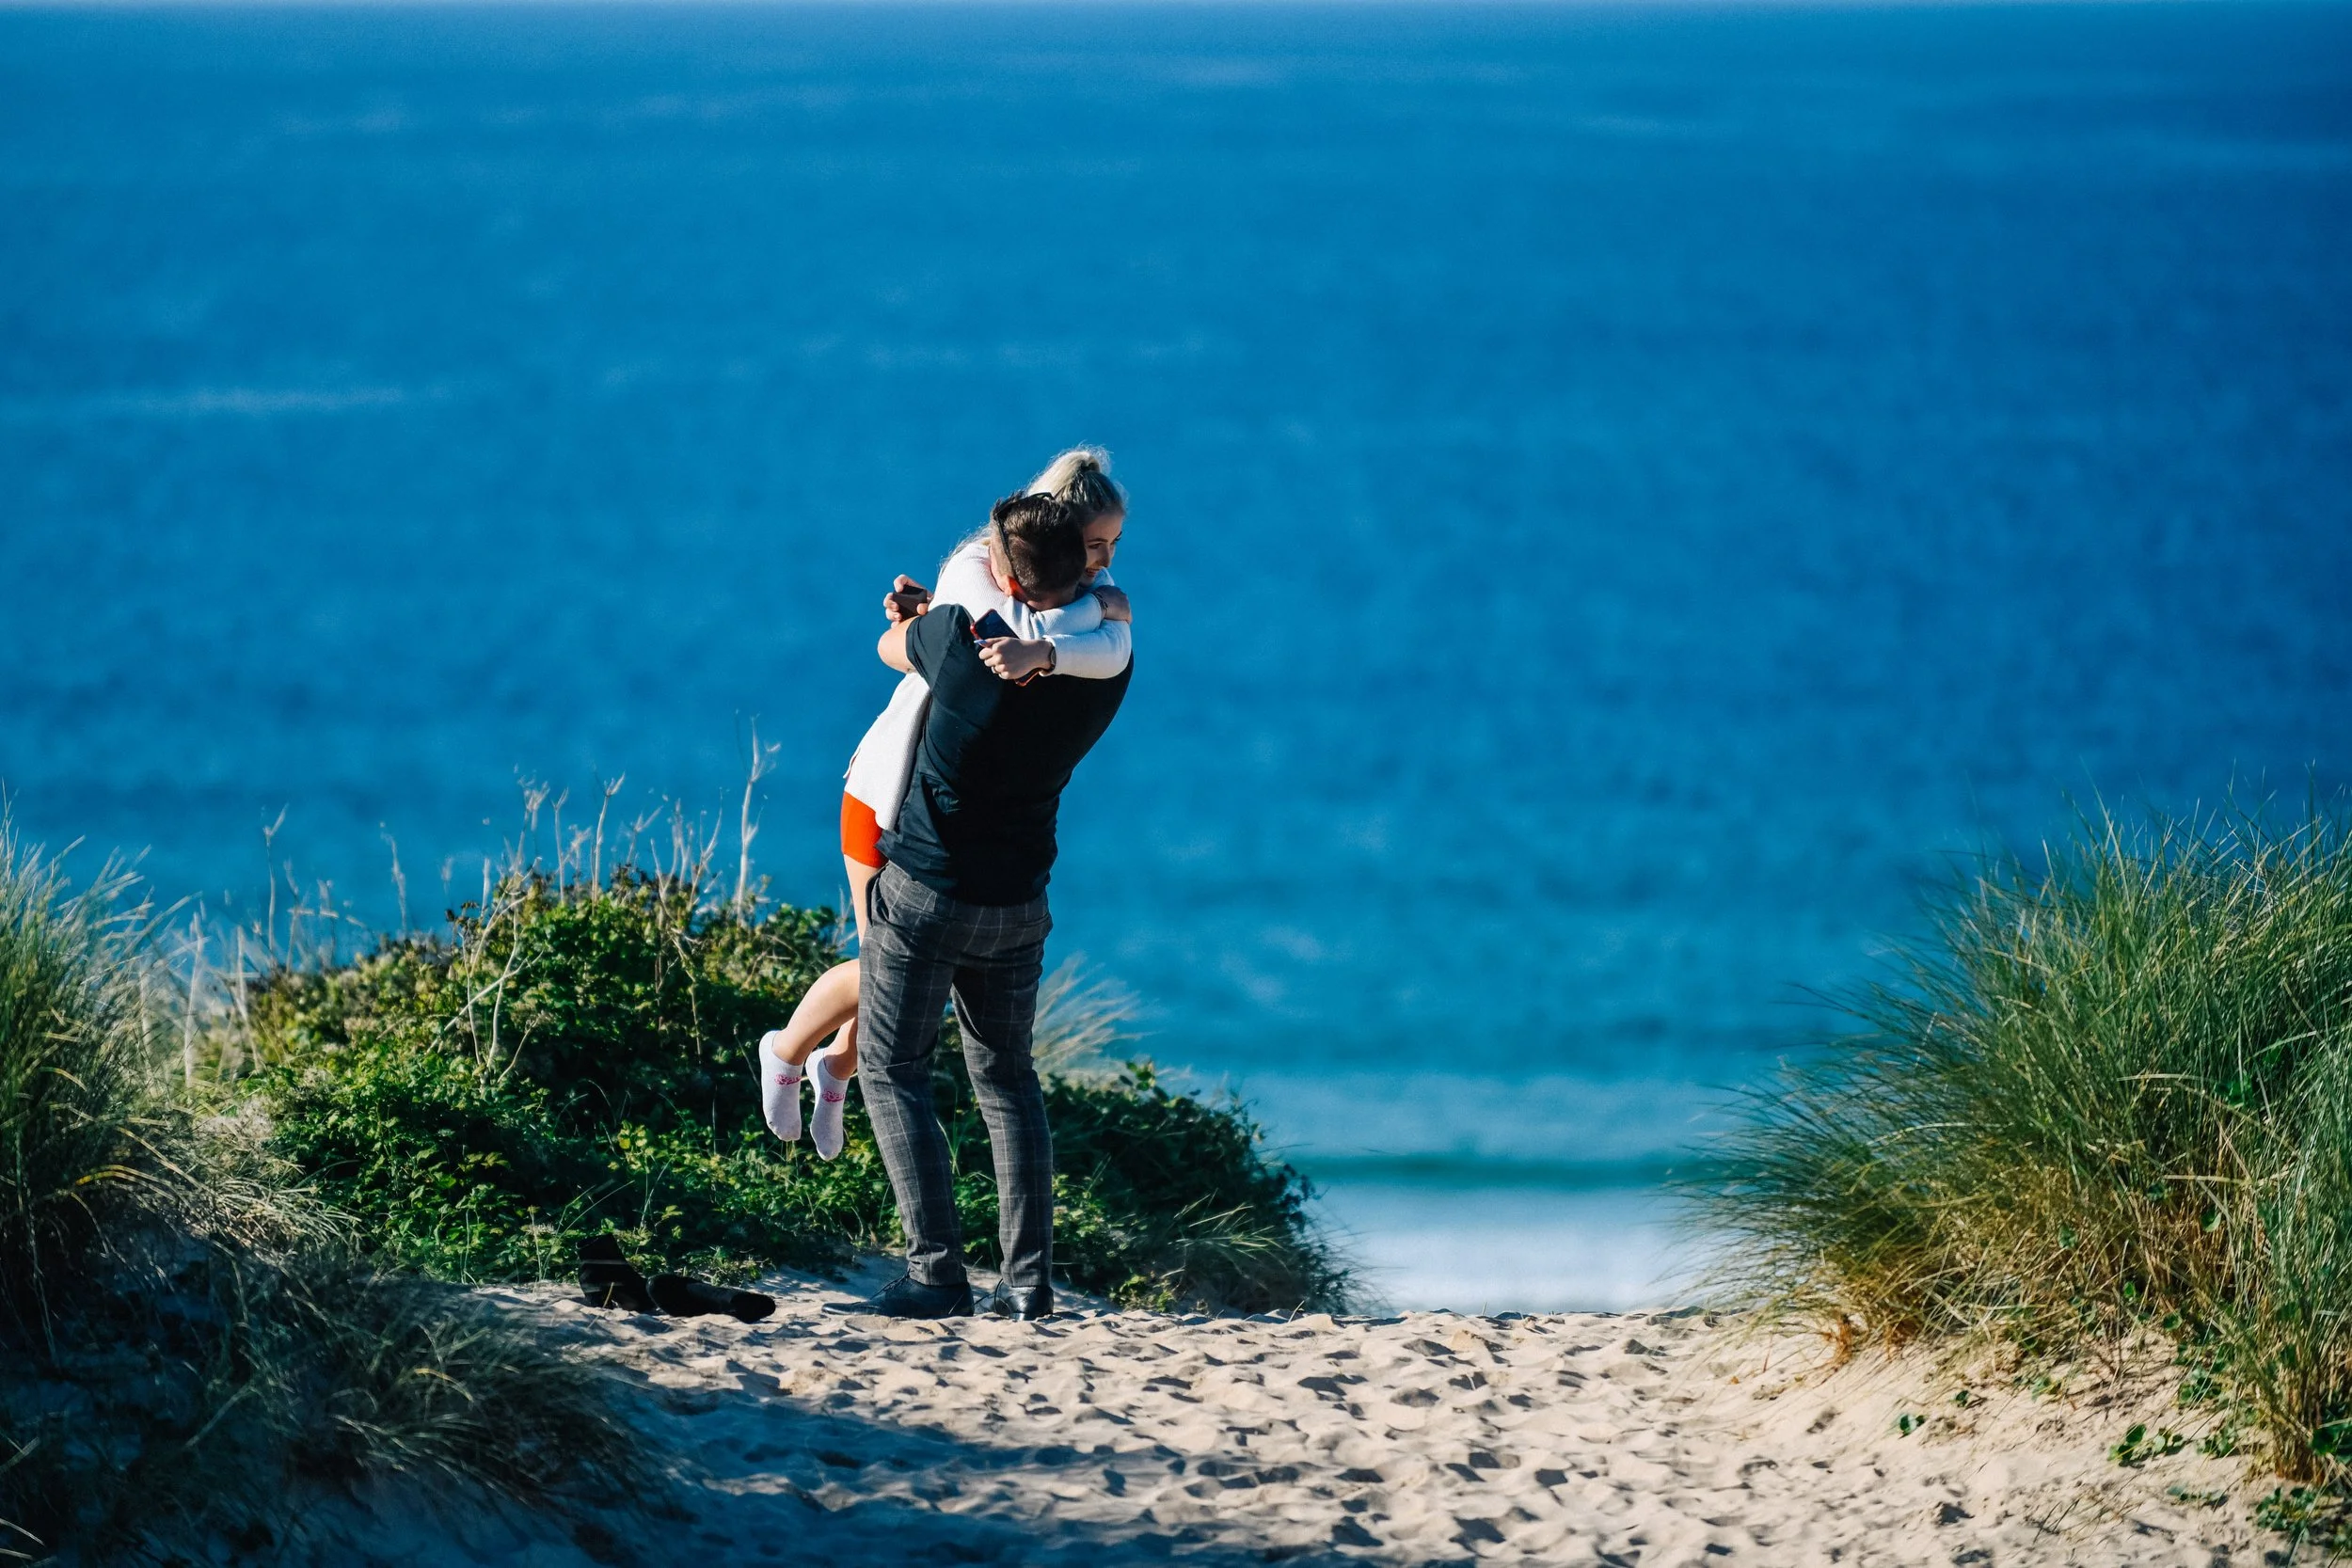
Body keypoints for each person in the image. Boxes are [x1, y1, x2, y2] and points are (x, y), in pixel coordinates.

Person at [754, 449, 1129, 1158]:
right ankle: (786, 1050)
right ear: (1048, 535)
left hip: (939, 820)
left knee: (900, 977)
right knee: (884, 967)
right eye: (1092, 545)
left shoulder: (1083, 595)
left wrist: (1091, 618)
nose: (1104, 563)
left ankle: (833, 1070)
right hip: (885, 793)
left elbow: (1112, 651)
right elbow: (1009, 632)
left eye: (1114, 544)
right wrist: (1089, 618)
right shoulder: (973, 568)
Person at [851, 490, 1132, 1319]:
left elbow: (890, 647)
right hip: (1019, 904)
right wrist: (1094, 609)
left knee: (892, 1070)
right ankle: (1027, 1282)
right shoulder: (1106, 671)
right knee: (1008, 1081)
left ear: (1005, 576)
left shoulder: (957, 640)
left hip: (928, 891)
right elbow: (1101, 631)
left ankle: (937, 1273)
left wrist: (919, 615)